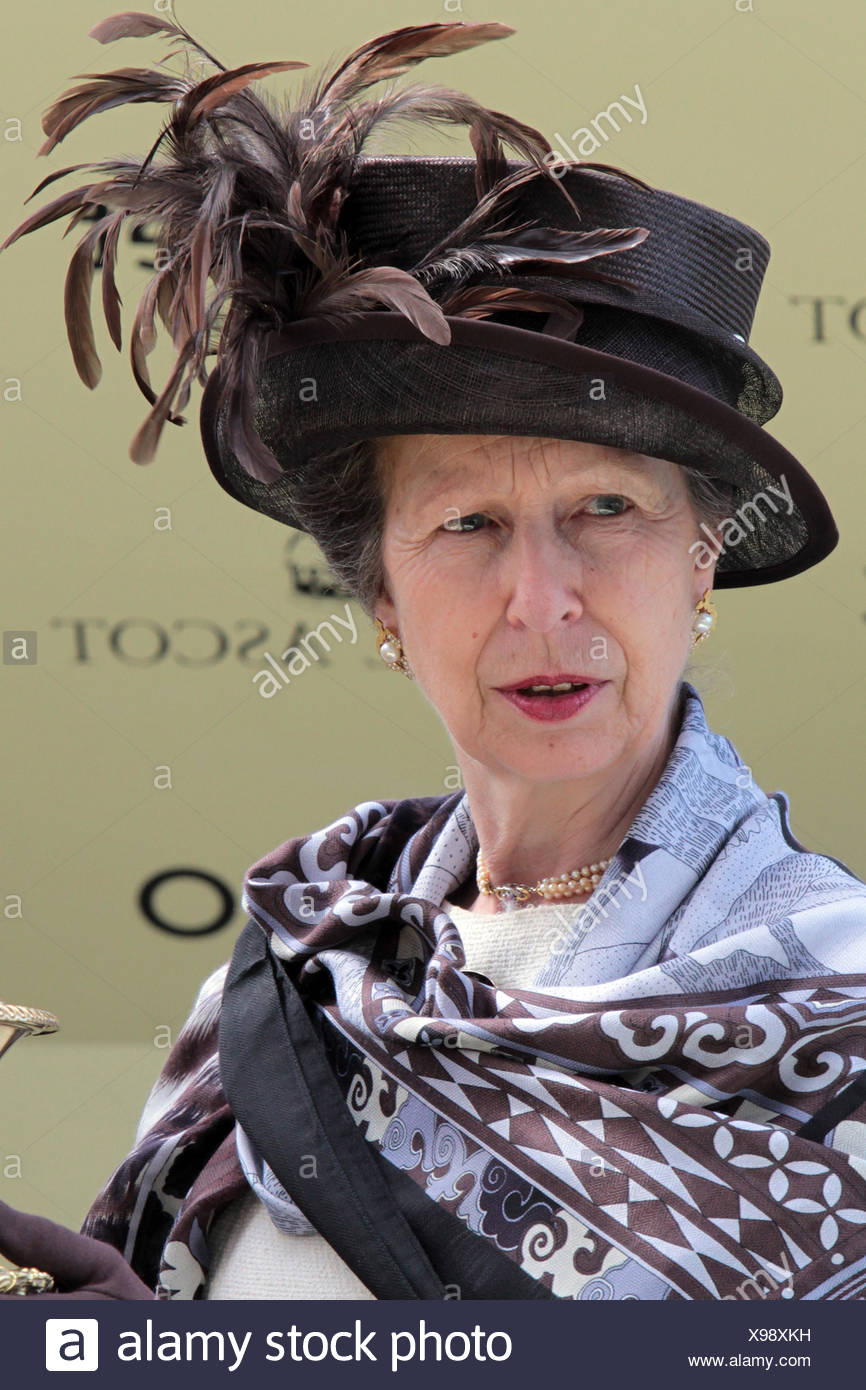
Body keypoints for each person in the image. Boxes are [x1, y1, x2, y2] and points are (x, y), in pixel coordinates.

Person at [2, 11, 865, 1302]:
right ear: (383, 595)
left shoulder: (839, 998)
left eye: (605, 512)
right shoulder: (289, 974)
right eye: (466, 526)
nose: (538, 597)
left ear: (701, 555)